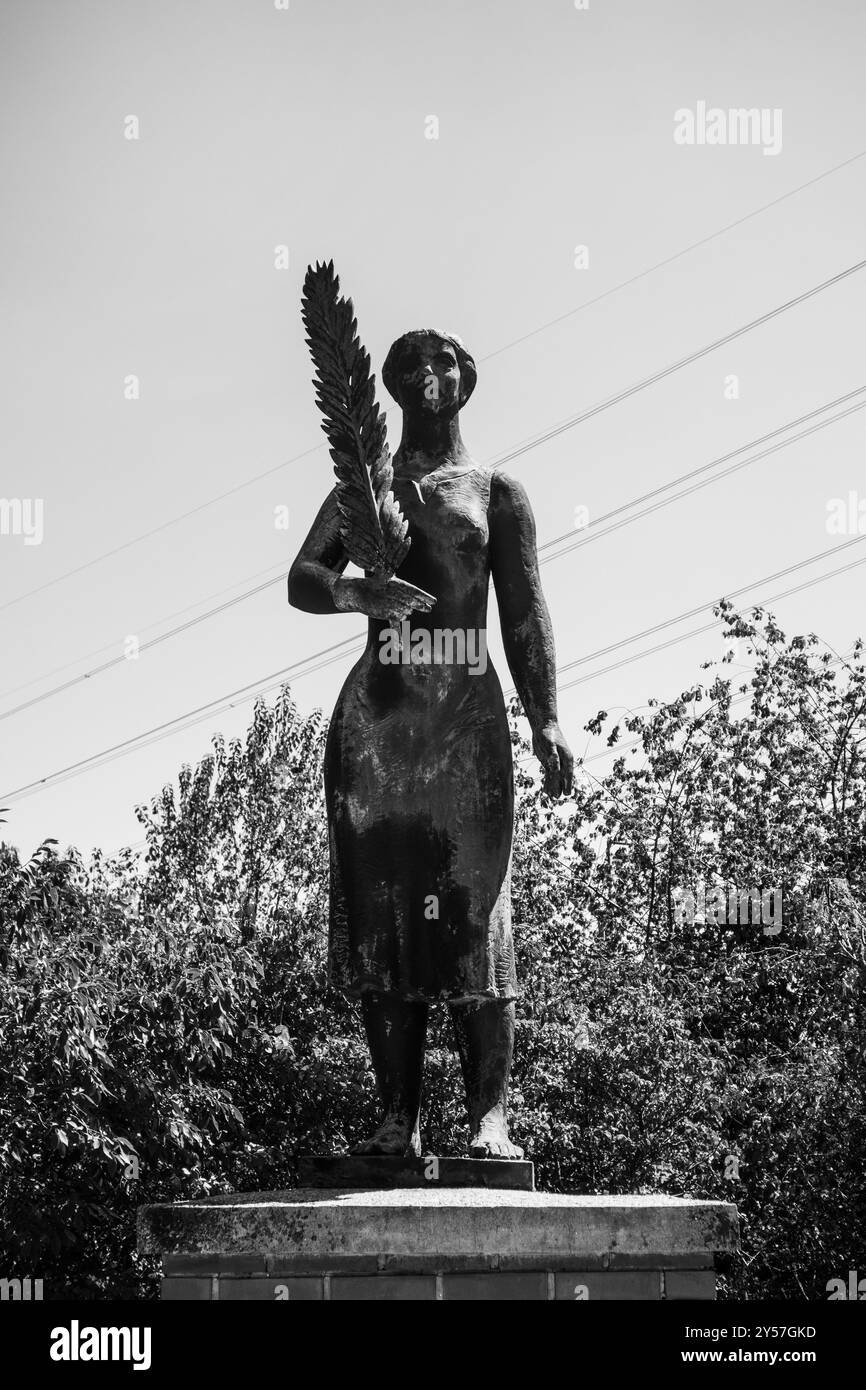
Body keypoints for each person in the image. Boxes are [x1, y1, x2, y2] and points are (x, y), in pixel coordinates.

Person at [289, 329, 572, 1158]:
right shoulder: (362, 490)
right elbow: (303, 579)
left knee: (475, 915)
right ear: (390, 385)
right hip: (378, 727)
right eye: (410, 365)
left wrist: (547, 716)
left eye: (443, 361)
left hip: (466, 723)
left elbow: (524, 611)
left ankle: (490, 1118)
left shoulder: (494, 490)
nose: (428, 375)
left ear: (467, 380)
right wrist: (357, 589)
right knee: (386, 922)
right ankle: (395, 1122)